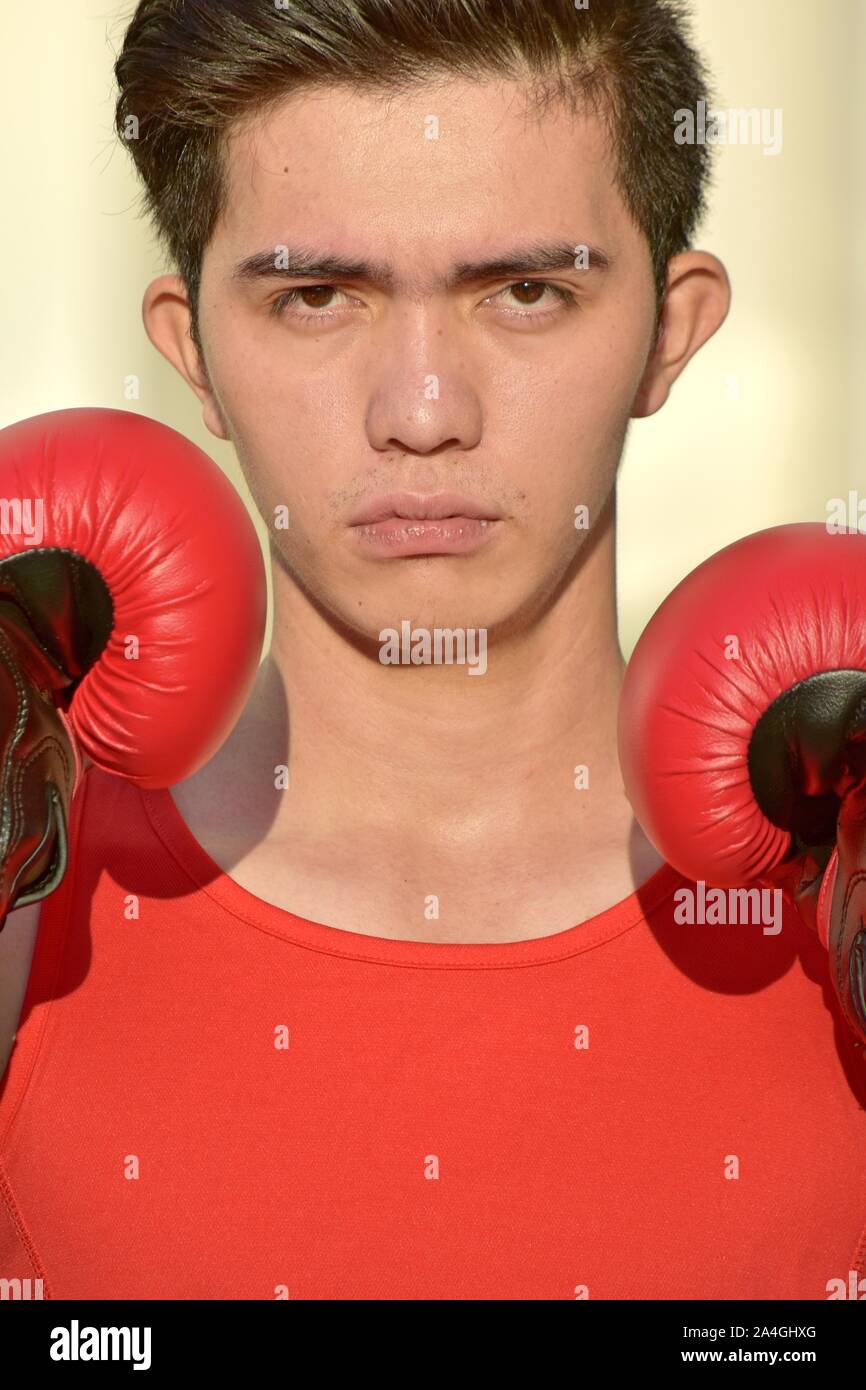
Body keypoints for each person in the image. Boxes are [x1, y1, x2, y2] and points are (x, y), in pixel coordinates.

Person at [1, 0, 864, 1301]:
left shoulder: (828, 898)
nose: (421, 411)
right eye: (315, 297)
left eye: (525, 292)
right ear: (192, 352)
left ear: (669, 331)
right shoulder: (31, 896)